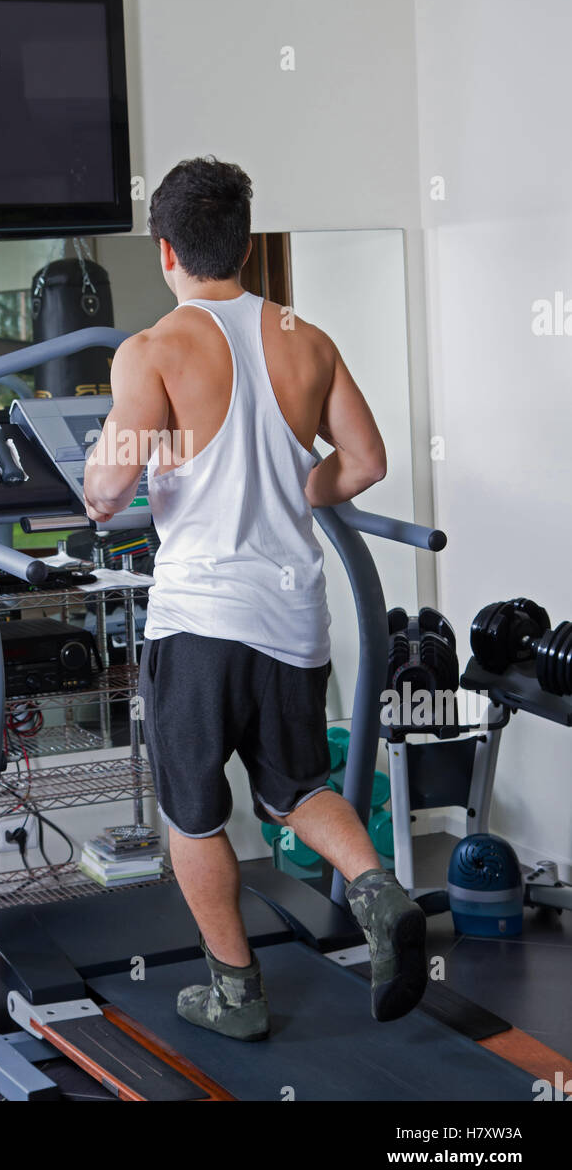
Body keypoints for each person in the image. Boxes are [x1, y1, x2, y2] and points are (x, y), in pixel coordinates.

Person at [82, 156, 427, 1041]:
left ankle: (237, 993)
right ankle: (379, 892)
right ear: (243, 242)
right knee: (294, 786)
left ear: (167, 251)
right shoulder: (306, 339)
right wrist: (296, 491)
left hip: (199, 621)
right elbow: (366, 462)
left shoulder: (152, 350)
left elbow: (111, 488)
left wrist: (97, 477)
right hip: (293, 618)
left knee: (192, 815)